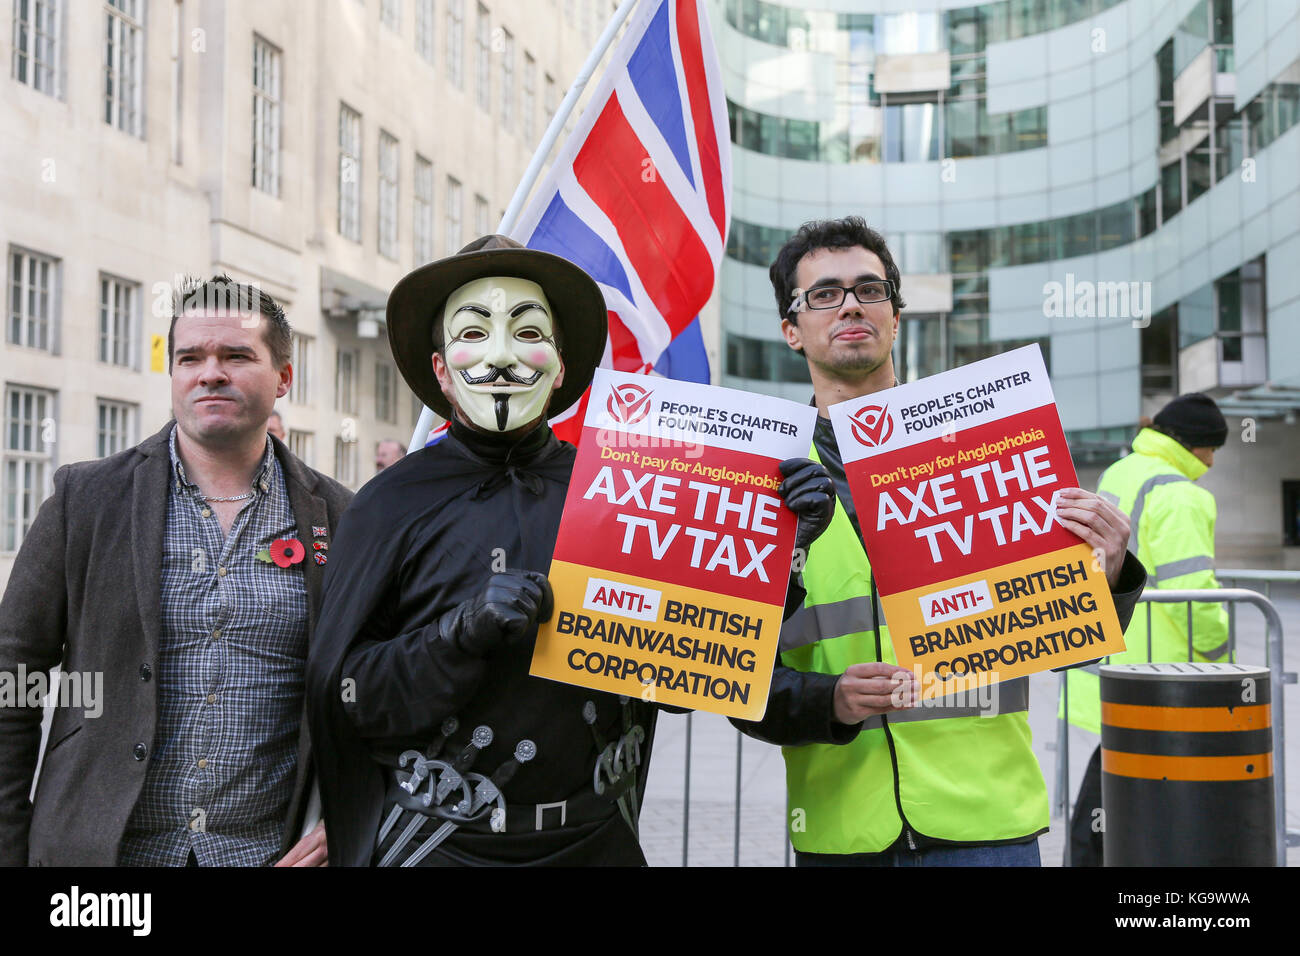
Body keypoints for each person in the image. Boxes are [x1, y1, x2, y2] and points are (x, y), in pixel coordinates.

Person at [305, 236, 835, 866]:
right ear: (442, 369)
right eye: (474, 334)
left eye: (526, 332)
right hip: (442, 847)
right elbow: (349, 696)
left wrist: (779, 550)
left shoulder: (624, 491)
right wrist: (457, 635)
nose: (501, 357)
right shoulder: (390, 505)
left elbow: (689, 671)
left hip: (596, 841)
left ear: (559, 368)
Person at [734, 217, 1149, 866]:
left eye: (870, 289)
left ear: (895, 317)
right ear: (793, 330)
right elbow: (736, 684)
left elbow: (1068, 648)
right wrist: (830, 702)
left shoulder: (981, 452)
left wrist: (1111, 571)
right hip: (843, 835)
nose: (849, 303)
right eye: (824, 294)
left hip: (988, 830)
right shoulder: (760, 487)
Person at [0, 274, 352, 866]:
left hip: (265, 854)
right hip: (101, 863)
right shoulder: (85, 500)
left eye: (237, 355)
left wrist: (348, 819)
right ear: (174, 376)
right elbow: (12, 679)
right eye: (191, 357)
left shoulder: (340, 517)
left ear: (283, 378)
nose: (210, 372)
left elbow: (370, 692)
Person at [1063, 392, 1230, 865]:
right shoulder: (1181, 493)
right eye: (1211, 449)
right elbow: (1195, 594)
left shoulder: (1121, 471)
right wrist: (1222, 658)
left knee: (1107, 795)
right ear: (1192, 445)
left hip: (1109, 662)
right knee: (1164, 805)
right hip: (1163, 678)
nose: (1213, 461)